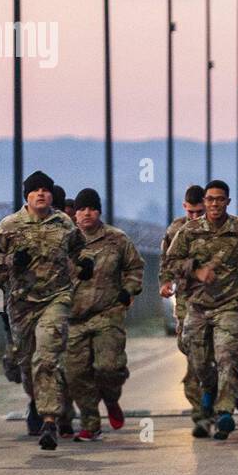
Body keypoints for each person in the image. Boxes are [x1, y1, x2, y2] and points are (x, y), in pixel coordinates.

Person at [0, 171, 89, 451]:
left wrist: (84, 263)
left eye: (46, 190)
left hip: (56, 298)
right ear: (26, 195)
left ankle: (49, 421)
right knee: (28, 365)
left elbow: (79, 249)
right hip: (22, 303)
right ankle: (37, 401)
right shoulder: (9, 225)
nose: (41, 194)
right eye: (35, 190)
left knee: (46, 358)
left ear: (52, 195)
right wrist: (10, 260)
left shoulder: (63, 222)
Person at [161, 180, 238, 440]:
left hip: (229, 304)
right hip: (196, 305)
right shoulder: (189, 231)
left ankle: (225, 412)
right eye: (210, 199)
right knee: (197, 358)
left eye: (220, 199)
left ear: (228, 202)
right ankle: (208, 390)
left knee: (228, 357)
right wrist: (196, 270)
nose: (215, 204)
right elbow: (171, 260)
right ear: (204, 202)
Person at [65, 188, 144, 441]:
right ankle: (90, 423)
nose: (86, 213)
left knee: (108, 368)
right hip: (74, 318)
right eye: (81, 209)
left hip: (107, 313)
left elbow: (134, 267)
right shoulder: (65, 243)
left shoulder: (116, 239)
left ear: (99, 211)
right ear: (75, 214)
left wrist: (128, 290)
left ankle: (111, 399)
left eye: (91, 208)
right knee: (77, 375)